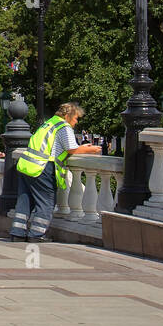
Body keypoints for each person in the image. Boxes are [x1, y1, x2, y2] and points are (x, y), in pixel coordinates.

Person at [10, 102, 102, 243]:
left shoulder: (48, 123)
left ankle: (17, 233)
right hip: (42, 167)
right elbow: (72, 149)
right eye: (76, 118)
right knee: (46, 202)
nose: (76, 122)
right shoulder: (63, 127)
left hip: (26, 165)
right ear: (67, 115)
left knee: (25, 200)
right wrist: (90, 149)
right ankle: (36, 234)